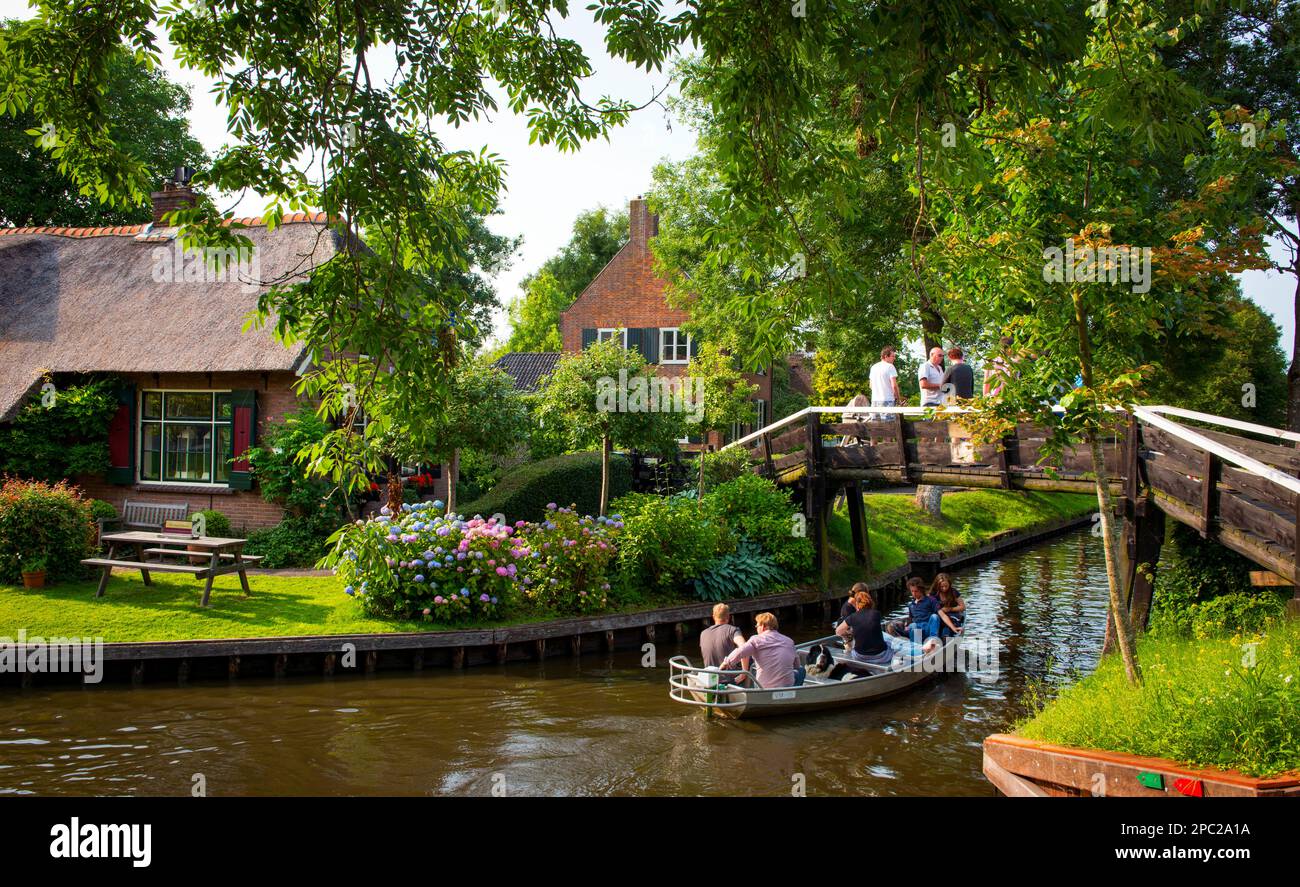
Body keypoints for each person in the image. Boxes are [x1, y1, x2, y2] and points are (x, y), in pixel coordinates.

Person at [721, 612, 802, 688]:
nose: (756, 628)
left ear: (763, 626)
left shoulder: (756, 640)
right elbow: (797, 665)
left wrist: (726, 663)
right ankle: (794, 695)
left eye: (757, 626)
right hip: (787, 686)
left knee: (754, 670)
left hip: (763, 687)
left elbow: (740, 651)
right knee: (801, 670)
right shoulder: (789, 641)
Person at [835, 585, 894, 666]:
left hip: (860, 657)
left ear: (857, 604)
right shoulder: (876, 614)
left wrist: (848, 637)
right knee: (891, 643)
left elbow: (838, 631)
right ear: (870, 602)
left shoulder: (852, 617)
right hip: (880, 657)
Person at [887, 576, 940, 641]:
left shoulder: (931, 600)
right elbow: (911, 619)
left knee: (934, 616)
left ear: (921, 590)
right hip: (917, 630)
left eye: (916, 591)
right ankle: (916, 647)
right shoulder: (911, 605)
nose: (914, 594)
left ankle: (933, 641)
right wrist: (907, 626)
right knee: (893, 625)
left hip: (928, 628)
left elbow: (938, 615)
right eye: (912, 591)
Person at [700, 603, 748, 669]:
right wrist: (744, 672)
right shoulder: (733, 630)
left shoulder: (703, 633)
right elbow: (744, 647)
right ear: (728, 617)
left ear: (713, 617)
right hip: (730, 676)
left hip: (710, 676)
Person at [869, 346, 902, 419]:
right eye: (892, 356)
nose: (894, 358)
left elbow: (871, 386)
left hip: (874, 402)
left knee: (875, 428)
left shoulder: (873, 367)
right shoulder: (890, 367)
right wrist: (899, 400)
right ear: (886, 356)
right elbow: (894, 386)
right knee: (889, 427)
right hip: (887, 401)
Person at [929, 572, 965, 637]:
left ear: (949, 584)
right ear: (937, 586)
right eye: (941, 587)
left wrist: (950, 609)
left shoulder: (953, 592)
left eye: (946, 586)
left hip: (952, 616)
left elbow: (962, 607)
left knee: (947, 629)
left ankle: (946, 637)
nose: (944, 588)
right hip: (939, 616)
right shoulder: (933, 594)